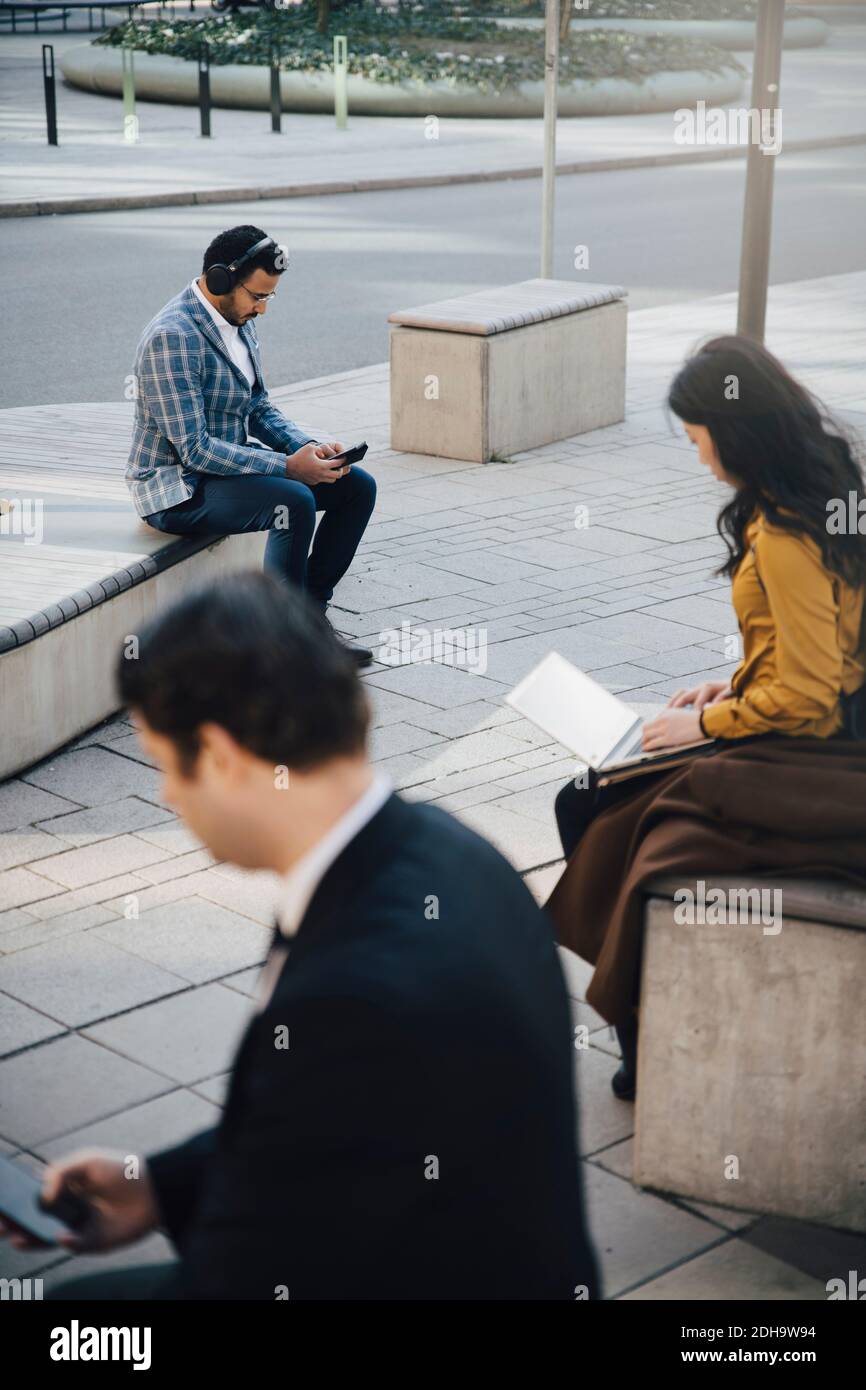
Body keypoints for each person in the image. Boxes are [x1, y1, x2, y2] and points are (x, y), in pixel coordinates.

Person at [5, 573, 598, 1302]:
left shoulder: (353, 998)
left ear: (220, 756)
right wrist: (155, 1187)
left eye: (162, 763)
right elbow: (314, 1138)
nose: (164, 794)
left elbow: (242, 1276)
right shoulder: (457, 853)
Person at [550, 335, 866, 1100]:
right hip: (807, 729)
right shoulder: (808, 497)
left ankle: (645, 1036)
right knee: (599, 797)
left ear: (739, 429)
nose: (698, 457)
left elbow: (812, 691)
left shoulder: (790, 531)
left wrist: (709, 727)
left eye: (698, 438)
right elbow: (813, 649)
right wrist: (726, 689)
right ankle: (641, 1022)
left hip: (817, 751)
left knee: (609, 810)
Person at [126, 224, 377, 666]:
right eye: (257, 296)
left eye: (269, 297)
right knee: (293, 500)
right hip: (176, 486)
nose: (263, 308)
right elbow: (195, 450)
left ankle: (308, 621)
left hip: (226, 472)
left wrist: (310, 448)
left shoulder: (237, 319)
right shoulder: (173, 338)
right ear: (220, 279)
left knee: (357, 486)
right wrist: (287, 467)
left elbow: (257, 406)